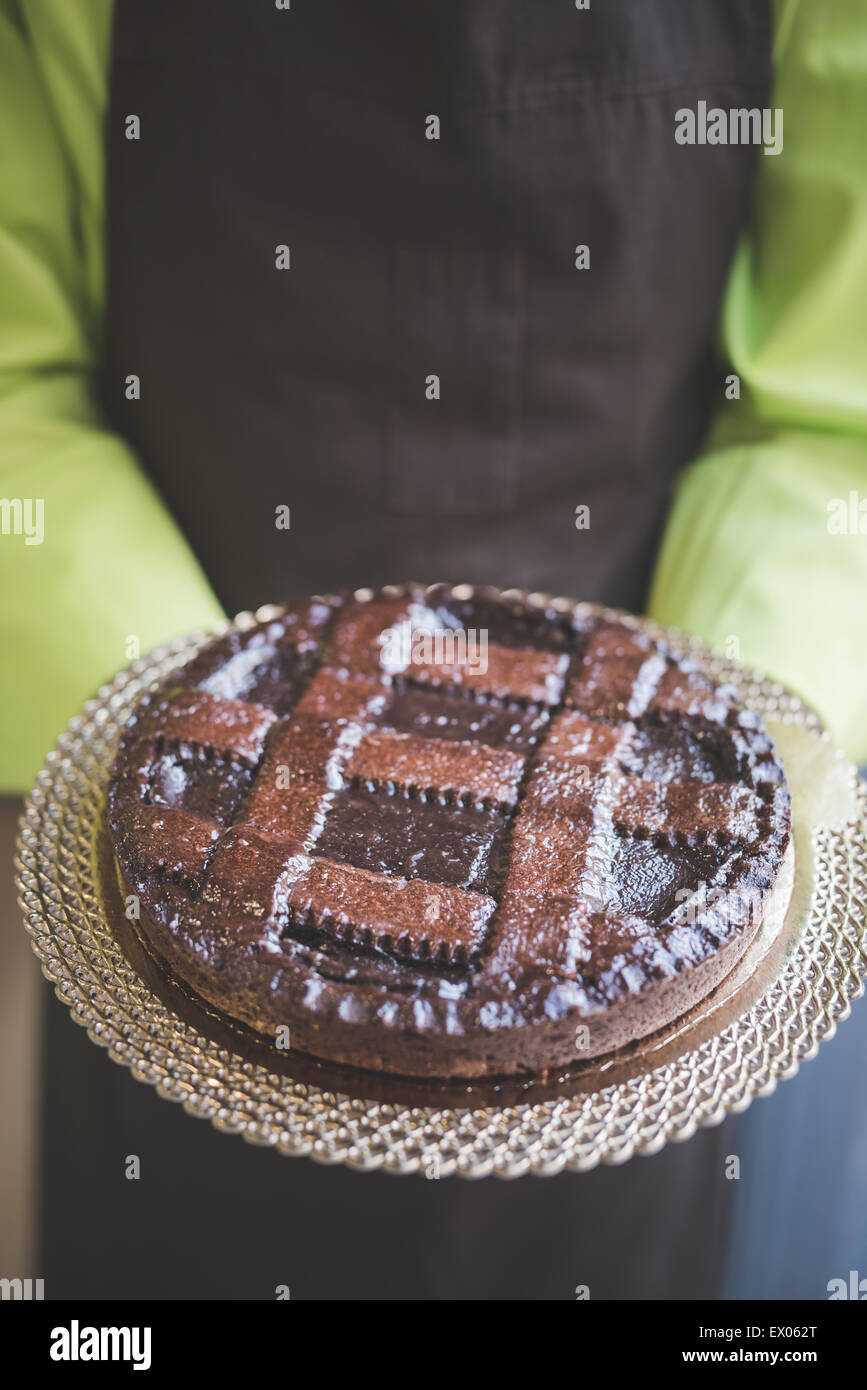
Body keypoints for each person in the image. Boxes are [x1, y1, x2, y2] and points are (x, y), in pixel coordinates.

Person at [1, 0, 865, 1300]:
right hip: (181, 824)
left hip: (629, 859)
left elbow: (832, 408)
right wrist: (179, 745)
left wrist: (693, 792)